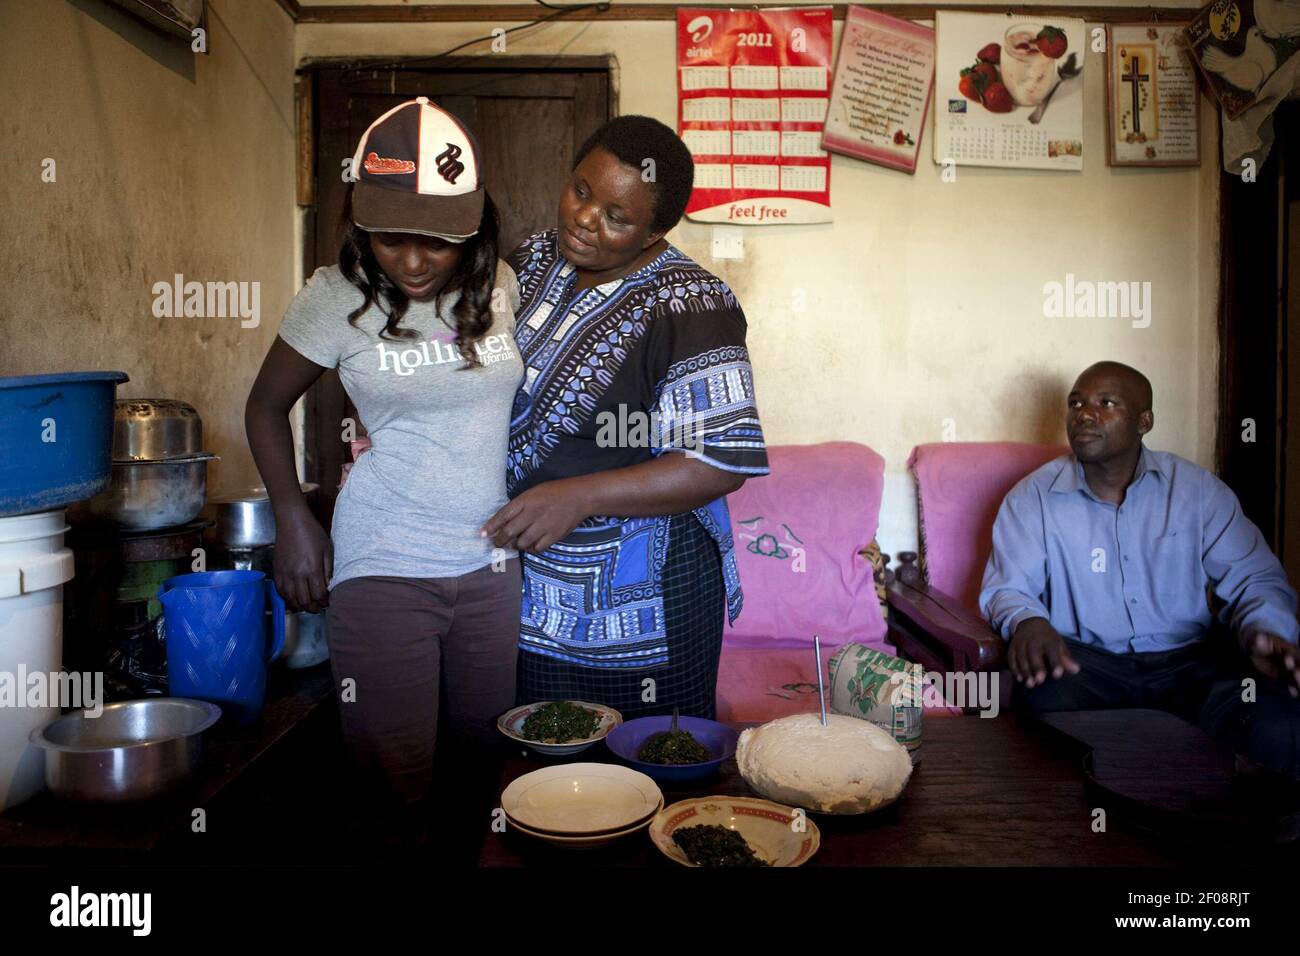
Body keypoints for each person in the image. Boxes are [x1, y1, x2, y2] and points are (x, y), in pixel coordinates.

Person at [244, 98, 524, 841]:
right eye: (392, 239)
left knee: (482, 773)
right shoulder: (334, 298)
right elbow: (264, 409)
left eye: (439, 242)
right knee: (392, 787)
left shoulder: (502, 285)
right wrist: (293, 519)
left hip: (493, 569)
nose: (414, 261)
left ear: (473, 229)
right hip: (383, 564)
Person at [482, 115, 768, 720]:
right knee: (540, 762)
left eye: (618, 217)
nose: (586, 219)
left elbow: (721, 460)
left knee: (647, 761)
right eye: (582, 191)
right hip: (529, 577)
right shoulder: (532, 262)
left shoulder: (693, 304)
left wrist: (579, 497)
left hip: (650, 587)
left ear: (655, 232)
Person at [980, 361, 1300, 778]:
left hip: (1192, 665)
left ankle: (1241, 840)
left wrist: (1265, 630)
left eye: (1106, 403)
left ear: (1143, 421)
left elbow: (1255, 579)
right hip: (1084, 665)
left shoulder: (1197, 493)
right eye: (1075, 403)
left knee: (1276, 722)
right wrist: (1027, 622)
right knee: (1042, 712)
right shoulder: (1032, 498)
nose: (1084, 413)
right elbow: (1009, 589)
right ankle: (1085, 839)